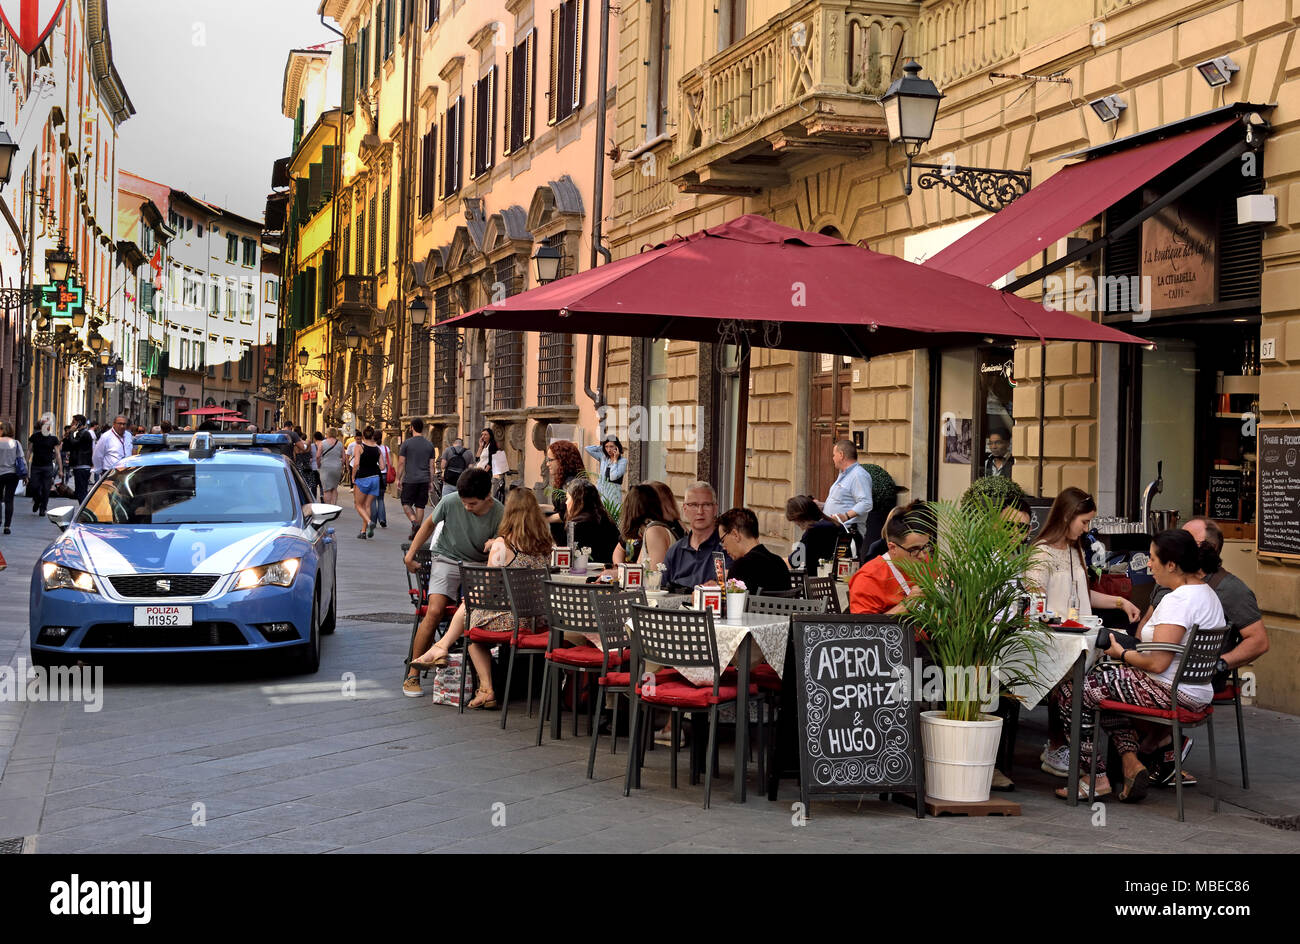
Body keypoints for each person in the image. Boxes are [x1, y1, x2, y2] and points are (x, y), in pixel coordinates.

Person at [1053, 529, 1224, 802]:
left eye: (1153, 558)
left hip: (1170, 690)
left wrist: (1121, 653)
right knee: (1097, 686)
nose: (1148, 564)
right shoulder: (1207, 594)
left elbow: (1157, 663)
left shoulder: (1179, 601)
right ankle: (1131, 763)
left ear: (1171, 564)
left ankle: (1094, 777)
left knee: (1071, 691)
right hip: (1196, 691)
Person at [1135, 516, 1268, 787]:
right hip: (1162, 664)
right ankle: (1156, 750)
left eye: (1189, 541)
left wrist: (1219, 663)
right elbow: (1146, 624)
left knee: (1104, 684)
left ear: (1210, 549)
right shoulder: (1168, 580)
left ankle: (1147, 751)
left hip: (1202, 674)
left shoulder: (1230, 589)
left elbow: (1259, 641)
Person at [1028, 486, 1142, 778]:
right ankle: (1058, 746)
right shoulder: (1042, 552)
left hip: (1079, 635)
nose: (1087, 528)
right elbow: (1034, 595)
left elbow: (1084, 594)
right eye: (1084, 522)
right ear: (1067, 517)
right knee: (1065, 679)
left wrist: (1120, 601)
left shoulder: (1075, 549)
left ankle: (1079, 749)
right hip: (1055, 638)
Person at [409, 487, 553, 708]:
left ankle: (483, 686)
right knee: (470, 610)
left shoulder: (504, 545)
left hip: (514, 620)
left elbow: (487, 590)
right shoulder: (546, 544)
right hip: (540, 619)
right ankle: (444, 650)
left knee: (472, 628)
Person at [402, 467, 504, 697]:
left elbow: (504, 542)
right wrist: (411, 553)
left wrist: (496, 540)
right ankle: (412, 673)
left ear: (488, 497)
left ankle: (480, 677)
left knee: (477, 613)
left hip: (479, 565)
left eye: (472, 504)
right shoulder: (450, 501)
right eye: (464, 502)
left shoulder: (499, 512)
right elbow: (428, 525)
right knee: (435, 610)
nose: (467, 507)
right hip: (446, 558)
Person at [849, 500, 931, 615]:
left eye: (926, 547)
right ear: (892, 548)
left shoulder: (927, 562)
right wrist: (908, 605)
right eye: (914, 550)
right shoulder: (868, 578)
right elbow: (866, 630)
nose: (922, 555)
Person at [660, 481, 731, 590]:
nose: (700, 511)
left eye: (706, 505)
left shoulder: (727, 549)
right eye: (693, 505)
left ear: (715, 509)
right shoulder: (675, 551)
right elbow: (661, 589)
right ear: (684, 509)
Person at [718, 507, 791, 594]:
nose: (724, 547)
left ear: (735, 534)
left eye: (722, 541)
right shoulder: (779, 563)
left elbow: (732, 605)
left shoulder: (740, 567)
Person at [612, 483, 676, 572]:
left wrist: (620, 573)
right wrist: (619, 570)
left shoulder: (654, 530)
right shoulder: (649, 529)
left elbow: (656, 574)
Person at [820, 439, 873, 545]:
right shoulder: (844, 474)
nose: (833, 458)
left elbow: (866, 503)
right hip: (836, 532)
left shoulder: (858, 475)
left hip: (848, 534)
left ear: (841, 455)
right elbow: (843, 503)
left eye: (834, 455)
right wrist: (821, 505)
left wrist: (845, 516)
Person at [397, 419, 437, 539]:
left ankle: (414, 522)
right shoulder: (429, 444)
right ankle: (417, 532)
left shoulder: (407, 443)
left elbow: (401, 462)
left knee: (406, 503)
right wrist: (431, 481)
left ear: (412, 428)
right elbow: (432, 466)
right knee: (420, 505)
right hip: (424, 479)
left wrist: (398, 478)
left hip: (410, 479)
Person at [563, 479, 621, 562]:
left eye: (568, 498)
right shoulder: (606, 520)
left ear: (577, 501)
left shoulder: (576, 526)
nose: (566, 502)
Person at [543, 439, 587, 544]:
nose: (547, 464)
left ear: (562, 460)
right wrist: (537, 508)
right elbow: (560, 508)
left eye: (550, 460)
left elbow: (568, 513)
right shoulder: (564, 480)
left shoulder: (573, 483)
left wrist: (543, 520)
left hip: (573, 540)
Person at [785, 494, 841, 573]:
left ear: (799, 517)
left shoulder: (814, 530)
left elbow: (795, 561)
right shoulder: (834, 524)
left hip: (817, 579)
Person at [349, 425, 386, 539]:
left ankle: (370, 522)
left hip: (363, 478)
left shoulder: (359, 447)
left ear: (363, 436)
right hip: (375, 478)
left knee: (358, 505)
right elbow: (382, 466)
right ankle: (364, 531)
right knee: (367, 505)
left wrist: (353, 476)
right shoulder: (378, 449)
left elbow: (356, 464)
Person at [27, 420, 59, 517]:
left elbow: (57, 454)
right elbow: (29, 450)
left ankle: (43, 508)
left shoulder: (53, 439)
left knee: (46, 489)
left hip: (48, 466)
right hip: (36, 466)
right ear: (41, 426)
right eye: (44, 425)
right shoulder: (34, 437)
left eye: (48, 425)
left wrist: (60, 469)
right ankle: (37, 501)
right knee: (34, 486)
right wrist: (25, 463)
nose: (46, 426)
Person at [0, 421, 26, 533]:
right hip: (12, 474)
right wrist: (25, 476)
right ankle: (7, 526)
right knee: (9, 500)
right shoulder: (16, 443)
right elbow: (21, 460)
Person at [585, 436, 626, 505]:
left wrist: (615, 461)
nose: (609, 449)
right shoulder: (603, 458)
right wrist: (602, 447)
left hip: (613, 495)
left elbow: (613, 477)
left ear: (617, 447)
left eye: (611, 446)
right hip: (601, 493)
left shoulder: (623, 461)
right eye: (606, 447)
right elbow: (588, 449)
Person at [66, 415, 95, 502]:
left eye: (73, 422)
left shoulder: (84, 433)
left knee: (81, 492)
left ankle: (84, 512)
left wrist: (71, 433)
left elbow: (74, 444)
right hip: (79, 465)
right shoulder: (80, 433)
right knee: (79, 492)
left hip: (82, 465)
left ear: (79, 423)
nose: (71, 424)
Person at [476, 428, 509, 501]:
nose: (483, 436)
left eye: (485, 434)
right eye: (482, 435)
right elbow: (477, 458)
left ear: (490, 435)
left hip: (487, 473)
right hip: (480, 471)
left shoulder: (492, 445)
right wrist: (480, 446)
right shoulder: (484, 445)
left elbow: (491, 461)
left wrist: (484, 473)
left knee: (485, 491)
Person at [317, 427, 344, 504]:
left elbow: (318, 456)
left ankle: (328, 507)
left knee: (327, 489)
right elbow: (344, 458)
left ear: (327, 433)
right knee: (334, 488)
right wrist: (341, 467)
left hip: (325, 468)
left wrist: (318, 464)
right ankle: (334, 506)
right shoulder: (340, 444)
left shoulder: (322, 443)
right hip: (337, 468)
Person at [374, 438, 391, 529]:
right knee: (381, 499)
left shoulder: (372, 447)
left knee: (372, 499)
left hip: (373, 474)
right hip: (383, 474)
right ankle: (382, 519)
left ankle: (373, 520)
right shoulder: (386, 448)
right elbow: (390, 462)